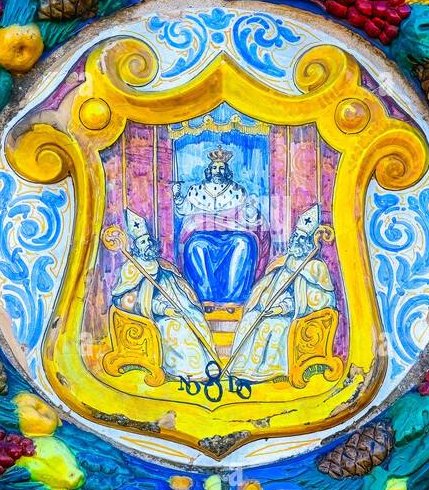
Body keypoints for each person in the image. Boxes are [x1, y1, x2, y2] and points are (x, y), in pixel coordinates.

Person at [227, 206, 336, 383]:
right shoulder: (287, 261)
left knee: (272, 326)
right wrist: (267, 302)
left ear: (310, 243)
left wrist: (283, 307)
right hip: (275, 308)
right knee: (250, 318)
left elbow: (317, 300)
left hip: (295, 316)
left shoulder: (315, 268)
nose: (297, 242)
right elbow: (273, 287)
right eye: (296, 238)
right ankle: (240, 371)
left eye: (303, 239)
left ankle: (266, 373)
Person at [109, 210, 214, 381]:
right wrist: (165, 310)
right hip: (155, 315)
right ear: (135, 247)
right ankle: (190, 372)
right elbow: (128, 301)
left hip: (175, 306)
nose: (148, 244)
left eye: (148, 240)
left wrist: (185, 304)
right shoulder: (131, 269)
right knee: (177, 327)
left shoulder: (160, 263)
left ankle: (208, 365)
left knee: (195, 317)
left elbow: (177, 286)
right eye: (143, 242)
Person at [173, 148, 269, 304]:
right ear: (209, 171)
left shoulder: (237, 191)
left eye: (221, 168)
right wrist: (177, 196)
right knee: (195, 247)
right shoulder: (196, 191)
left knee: (244, 244)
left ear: (227, 171)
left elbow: (247, 216)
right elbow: (185, 210)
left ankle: (234, 298)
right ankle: (206, 298)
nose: (217, 171)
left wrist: (251, 210)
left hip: (232, 232)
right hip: (202, 234)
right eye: (215, 168)